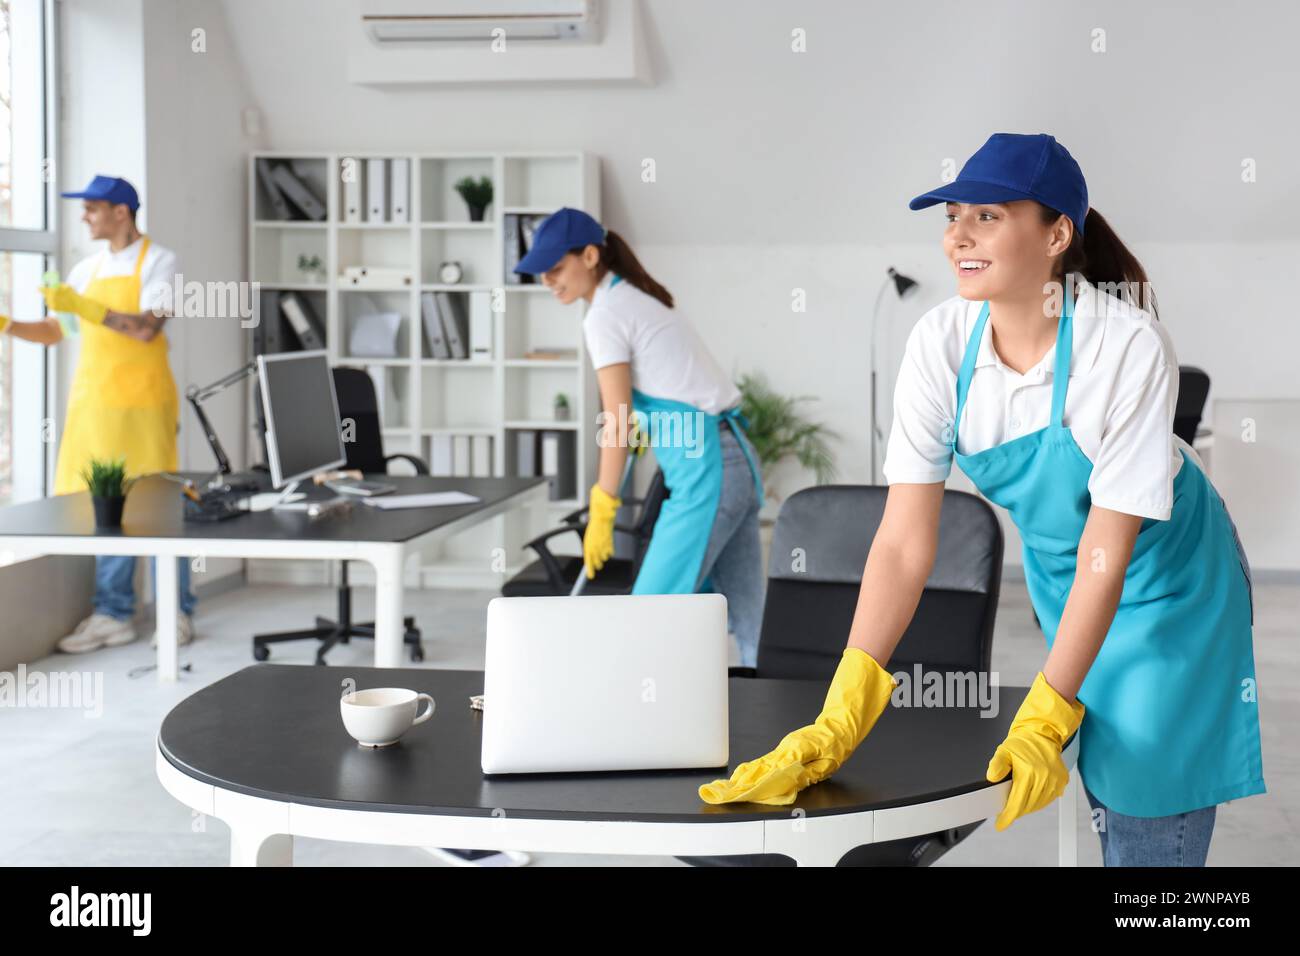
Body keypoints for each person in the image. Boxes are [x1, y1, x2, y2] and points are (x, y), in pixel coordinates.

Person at [698, 133, 1264, 867]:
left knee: (1143, 805)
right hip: (1072, 574)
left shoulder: (1124, 346)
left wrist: (1048, 708)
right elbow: (904, 542)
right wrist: (843, 709)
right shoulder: (941, 343)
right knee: (1098, 771)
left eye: (988, 216)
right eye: (951, 215)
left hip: (1171, 586)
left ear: (1057, 233)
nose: (957, 235)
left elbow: (1109, 546)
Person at [513, 208, 767, 668]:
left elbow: (616, 420)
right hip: (735, 464)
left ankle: (637, 723)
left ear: (590, 256)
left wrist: (603, 507)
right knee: (751, 621)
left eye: (555, 268)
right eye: (541, 273)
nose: (548, 281)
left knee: (649, 614)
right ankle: (774, 717)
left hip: (707, 474)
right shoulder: (637, 297)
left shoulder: (605, 315)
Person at [0, 175, 196, 652]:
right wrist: (6, 323)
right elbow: (54, 331)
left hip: (145, 403)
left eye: (91, 208)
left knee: (161, 503)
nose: (84, 217)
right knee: (107, 505)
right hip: (97, 403)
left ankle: (177, 612)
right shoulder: (87, 268)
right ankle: (114, 612)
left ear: (120, 212)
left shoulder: (162, 262)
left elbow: (146, 329)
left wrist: (84, 306)